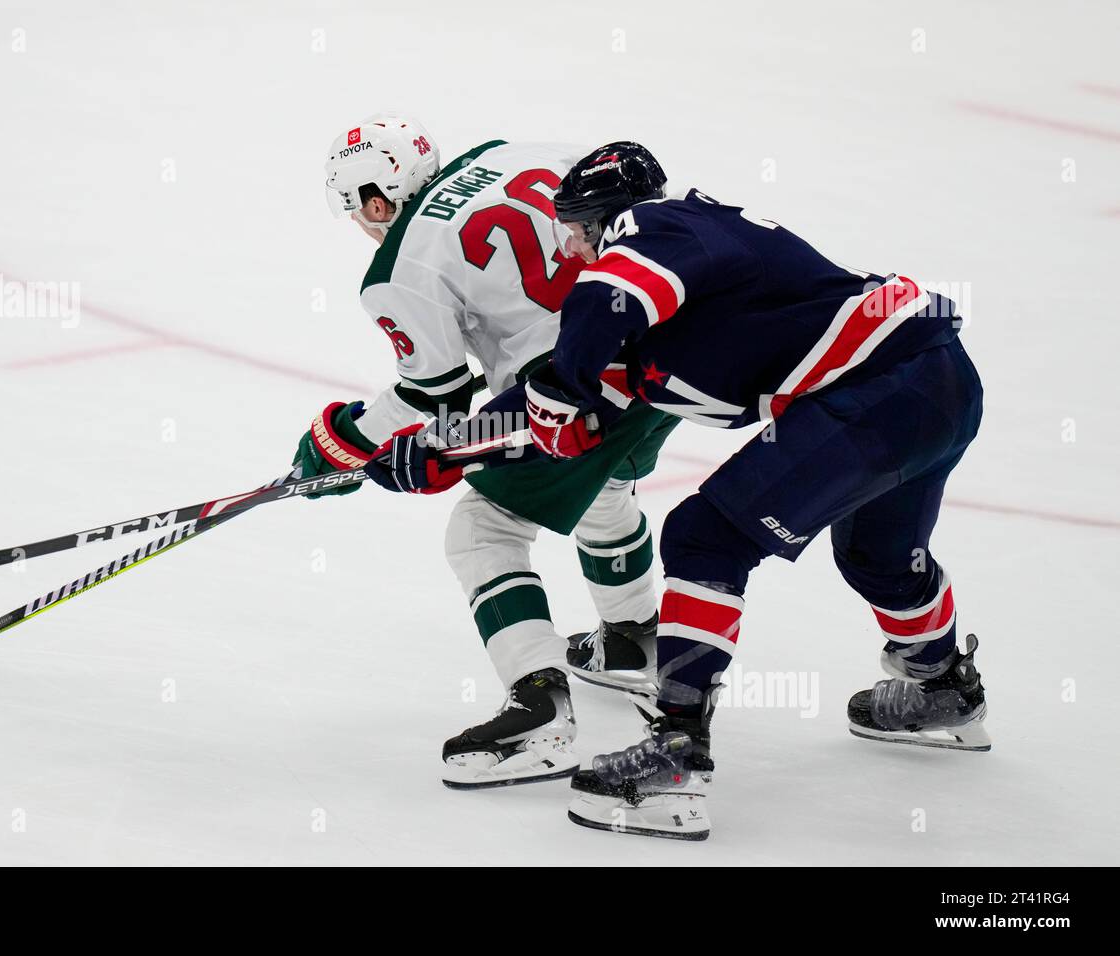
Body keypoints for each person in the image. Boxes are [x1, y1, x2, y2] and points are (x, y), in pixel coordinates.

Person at [517, 141, 988, 839]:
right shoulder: (676, 292)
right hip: (935, 380)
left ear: (605, 217)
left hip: (883, 389)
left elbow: (600, 304)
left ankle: (675, 758)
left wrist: (562, 386)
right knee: (880, 559)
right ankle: (945, 687)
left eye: (577, 230)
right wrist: (415, 450)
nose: (576, 252)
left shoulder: (657, 227)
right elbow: (550, 389)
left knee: (705, 538)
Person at [301, 116, 678, 788]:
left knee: (483, 530)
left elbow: (435, 397)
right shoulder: (514, 150)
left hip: (572, 385)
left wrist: (342, 442)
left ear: (376, 201)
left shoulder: (396, 267)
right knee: (603, 484)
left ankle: (540, 713)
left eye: (357, 211)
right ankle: (632, 640)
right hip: (666, 344)